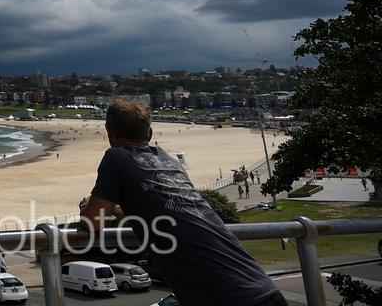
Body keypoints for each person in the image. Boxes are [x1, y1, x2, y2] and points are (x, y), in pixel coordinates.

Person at [81, 98, 282, 306]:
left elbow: (93, 222)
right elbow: (164, 207)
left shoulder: (116, 158)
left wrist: (87, 207)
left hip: (227, 298)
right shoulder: (170, 162)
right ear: (149, 134)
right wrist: (115, 209)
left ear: (109, 132)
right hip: (262, 287)